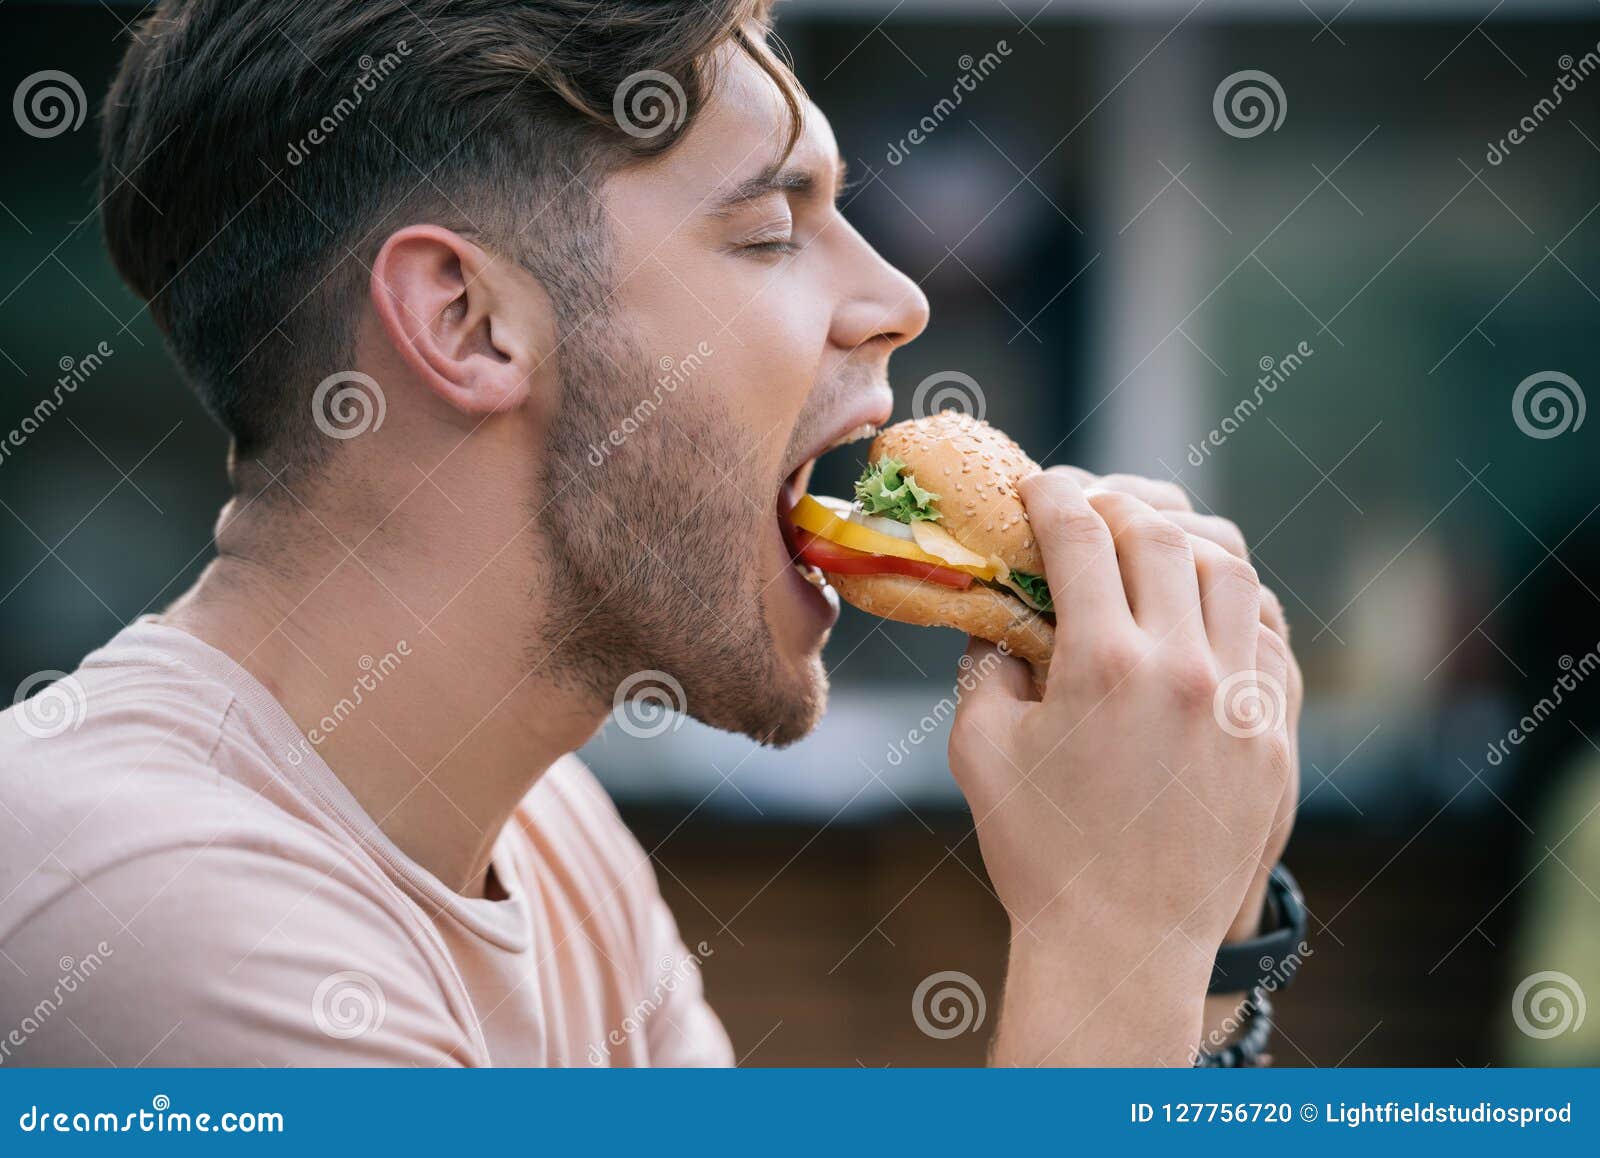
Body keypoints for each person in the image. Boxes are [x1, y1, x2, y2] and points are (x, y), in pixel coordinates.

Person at [0, 0, 1300, 1067]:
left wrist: (1204, 943)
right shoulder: (151, 911)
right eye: (773, 228)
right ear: (464, 320)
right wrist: (1115, 937)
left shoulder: (556, 844)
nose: (898, 299)